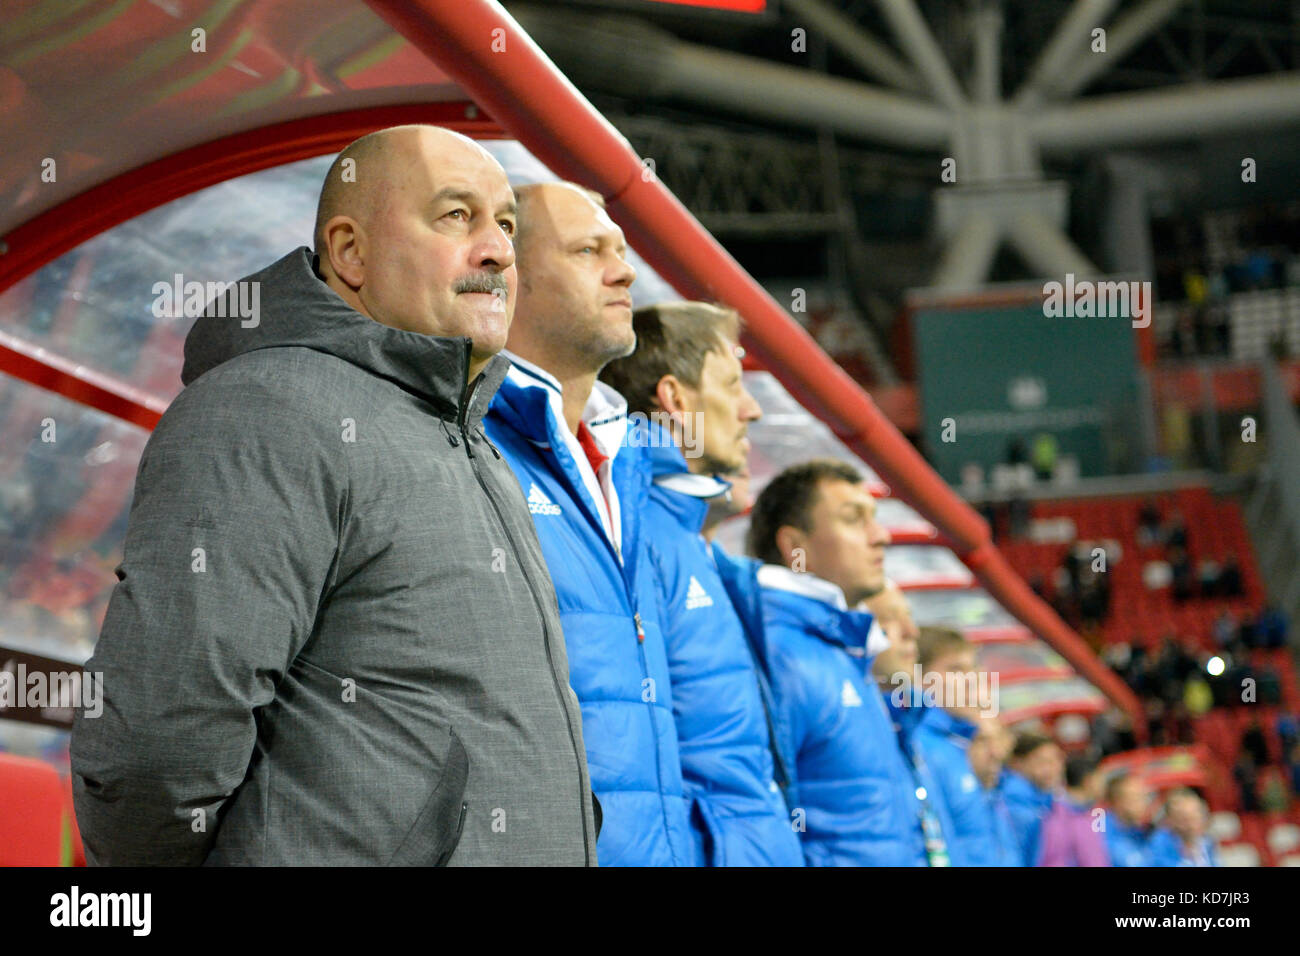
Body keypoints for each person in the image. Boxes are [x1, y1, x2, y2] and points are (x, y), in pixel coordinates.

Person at [71, 126, 597, 865]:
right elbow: (159, 738)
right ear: (350, 252)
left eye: (506, 224)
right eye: (456, 216)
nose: (500, 250)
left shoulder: (472, 442)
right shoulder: (268, 408)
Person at [484, 181, 692, 866]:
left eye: (622, 250)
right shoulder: (468, 446)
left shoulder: (625, 466)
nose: (625, 270)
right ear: (514, 279)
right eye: (588, 250)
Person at [597, 301, 802, 866]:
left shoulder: (685, 538)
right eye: (733, 384)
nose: (751, 410)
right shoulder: (638, 532)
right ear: (675, 399)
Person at [746, 460, 940, 866]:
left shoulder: (842, 657)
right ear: (795, 548)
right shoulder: (778, 654)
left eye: (875, 519)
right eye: (854, 520)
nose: (881, 536)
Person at [909, 625, 1006, 867]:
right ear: (919, 677)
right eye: (955, 669)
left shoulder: (956, 743)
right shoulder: (917, 743)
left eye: (972, 669)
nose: (970, 680)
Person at [966, 716, 1024, 866]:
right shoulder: (965, 797)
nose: (995, 752)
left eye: (999, 740)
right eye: (982, 741)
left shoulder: (999, 796)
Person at [1037, 753, 1112, 866]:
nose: (1104, 785)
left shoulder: (1090, 813)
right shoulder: (1055, 816)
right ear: (1089, 781)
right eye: (1100, 779)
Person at [1002, 731, 1064, 867]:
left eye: (1057, 760)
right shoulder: (1014, 806)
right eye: (1043, 761)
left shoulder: (1046, 802)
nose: (1054, 768)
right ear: (1017, 763)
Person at [1148, 789, 1220, 866]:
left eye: (1196, 817)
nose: (1192, 825)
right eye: (1185, 819)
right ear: (1170, 820)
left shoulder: (1206, 842)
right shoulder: (1160, 844)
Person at [1103, 772, 1155, 867]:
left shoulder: (1141, 833)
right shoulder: (1101, 835)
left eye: (1145, 797)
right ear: (1119, 801)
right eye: (1138, 798)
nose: (1145, 803)